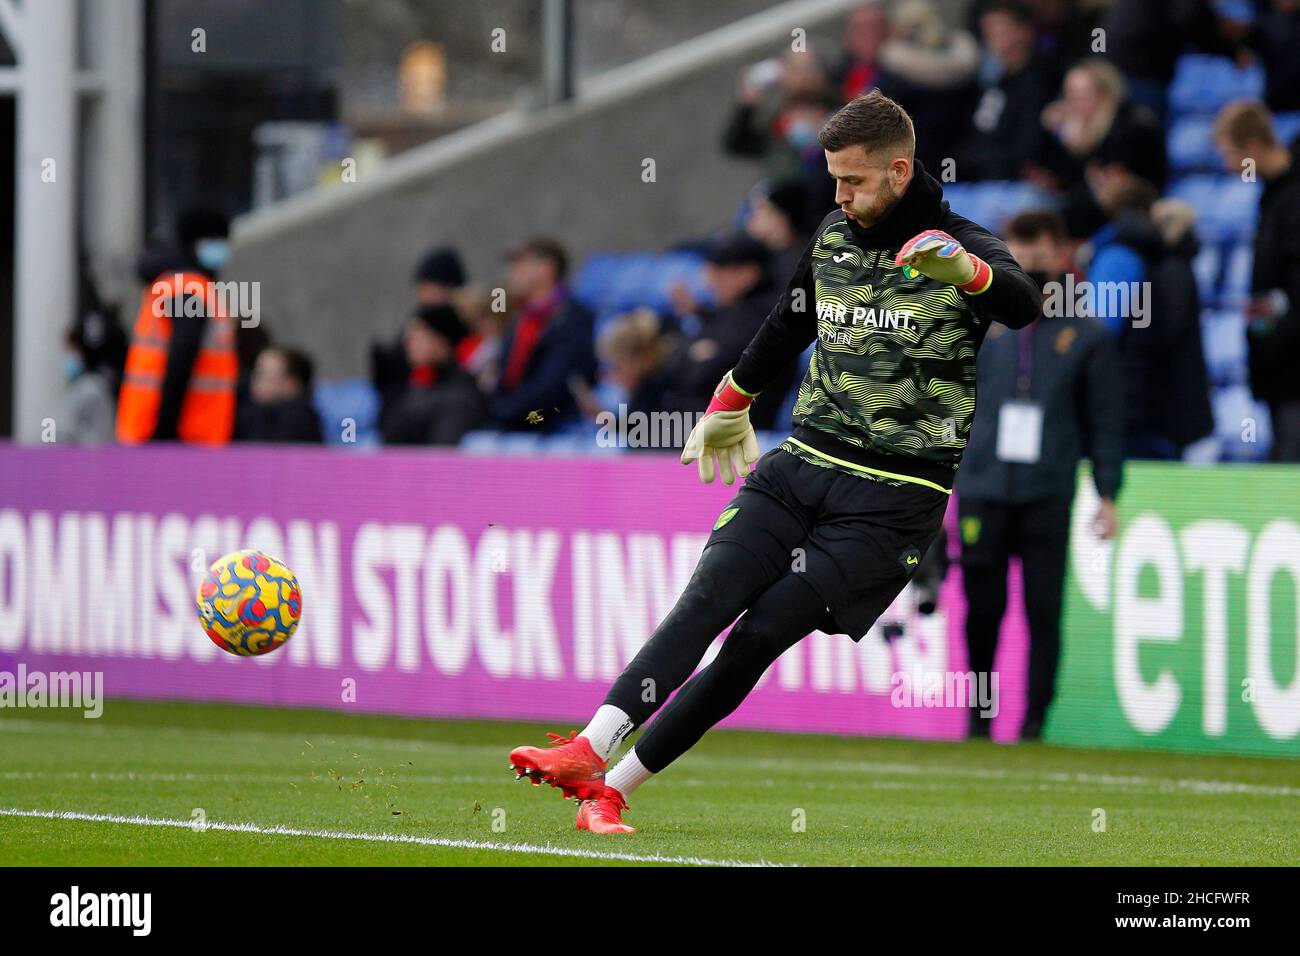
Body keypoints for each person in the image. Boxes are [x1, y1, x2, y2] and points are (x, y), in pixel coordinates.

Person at [507, 91, 1039, 833]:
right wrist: (732, 399)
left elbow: (1024, 303)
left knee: (754, 640)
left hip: (892, 501)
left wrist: (972, 277)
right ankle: (590, 747)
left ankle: (616, 789)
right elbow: (789, 321)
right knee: (708, 596)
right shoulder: (832, 234)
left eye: (853, 182)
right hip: (802, 463)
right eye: (833, 180)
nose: (840, 196)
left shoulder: (961, 245)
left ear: (898, 170)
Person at [956, 210, 1123, 742]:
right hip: (983, 489)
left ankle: (1034, 723)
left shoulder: (1087, 334)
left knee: (1043, 610)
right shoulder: (981, 325)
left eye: (1038, 245)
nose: (1028, 258)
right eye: (1018, 245)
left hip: (1047, 492)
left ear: (1060, 252)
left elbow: (1104, 419)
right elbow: (952, 407)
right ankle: (978, 721)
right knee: (982, 611)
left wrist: (1109, 492)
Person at [1087, 176, 1214, 459]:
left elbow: (1100, 334)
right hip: (1161, 407)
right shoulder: (1168, 263)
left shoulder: (1122, 257)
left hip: (1137, 408)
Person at [1214, 99, 1300, 461]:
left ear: (1251, 148)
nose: (1228, 166)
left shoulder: (1291, 198)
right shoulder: (1273, 195)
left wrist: (1272, 338)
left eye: (1230, 155)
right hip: (1280, 368)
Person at [116, 207, 239, 445]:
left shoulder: (187, 285)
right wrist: (165, 431)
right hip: (178, 436)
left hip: (173, 433)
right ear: (193, 244)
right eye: (214, 240)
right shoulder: (187, 287)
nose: (222, 248)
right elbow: (182, 358)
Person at [662, 232, 796, 431]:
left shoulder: (768, 317)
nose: (708, 281)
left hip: (735, 433)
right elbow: (674, 366)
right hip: (698, 426)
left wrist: (697, 356)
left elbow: (704, 374)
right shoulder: (726, 311)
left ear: (747, 273)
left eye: (718, 271)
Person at [489, 237, 596, 432]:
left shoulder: (572, 319)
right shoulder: (521, 319)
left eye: (520, 265)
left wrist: (503, 413)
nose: (512, 273)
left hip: (551, 422)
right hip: (515, 420)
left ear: (546, 268)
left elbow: (553, 390)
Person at [956, 0, 1055, 181]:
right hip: (977, 180)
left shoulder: (1042, 82)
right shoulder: (990, 84)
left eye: (1002, 32)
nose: (996, 42)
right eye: (989, 34)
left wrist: (975, 159)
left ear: (1025, 32)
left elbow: (1028, 149)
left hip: (1013, 184)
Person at [381, 303, 487, 446]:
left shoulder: (461, 396)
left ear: (442, 342)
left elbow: (440, 455)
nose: (409, 343)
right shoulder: (420, 387)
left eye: (418, 335)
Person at [234, 346, 322, 444]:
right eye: (255, 372)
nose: (254, 381)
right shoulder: (244, 411)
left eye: (264, 374)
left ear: (291, 384)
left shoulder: (296, 419)